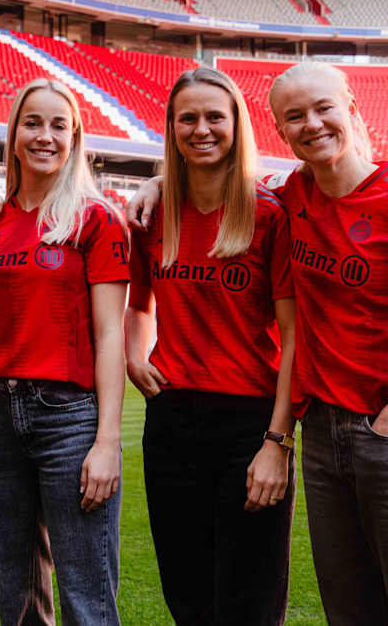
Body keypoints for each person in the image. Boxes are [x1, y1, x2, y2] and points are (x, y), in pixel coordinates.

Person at [127, 62, 388, 625]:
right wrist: (158, 181)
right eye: (294, 116)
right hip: (322, 431)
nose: (312, 124)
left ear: (352, 109)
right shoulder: (292, 196)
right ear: (278, 130)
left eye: (323, 109)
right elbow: (217, 186)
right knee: (348, 611)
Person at [0, 79, 129, 626]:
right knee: (17, 601)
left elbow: (110, 336)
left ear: (75, 139)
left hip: (68, 418)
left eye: (58, 126)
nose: (44, 136)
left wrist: (107, 442)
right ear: (14, 134)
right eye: (32, 123)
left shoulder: (96, 219)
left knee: (87, 597)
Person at [125, 67, 296, 625]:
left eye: (214, 117)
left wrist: (278, 441)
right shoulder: (152, 217)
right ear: (172, 128)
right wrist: (134, 355)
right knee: (187, 593)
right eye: (188, 118)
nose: (202, 129)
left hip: (250, 423)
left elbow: (294, 338)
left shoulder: (268, 214)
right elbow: (139, 305)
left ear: (236, 125)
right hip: (171, 421)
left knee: (250, 596)